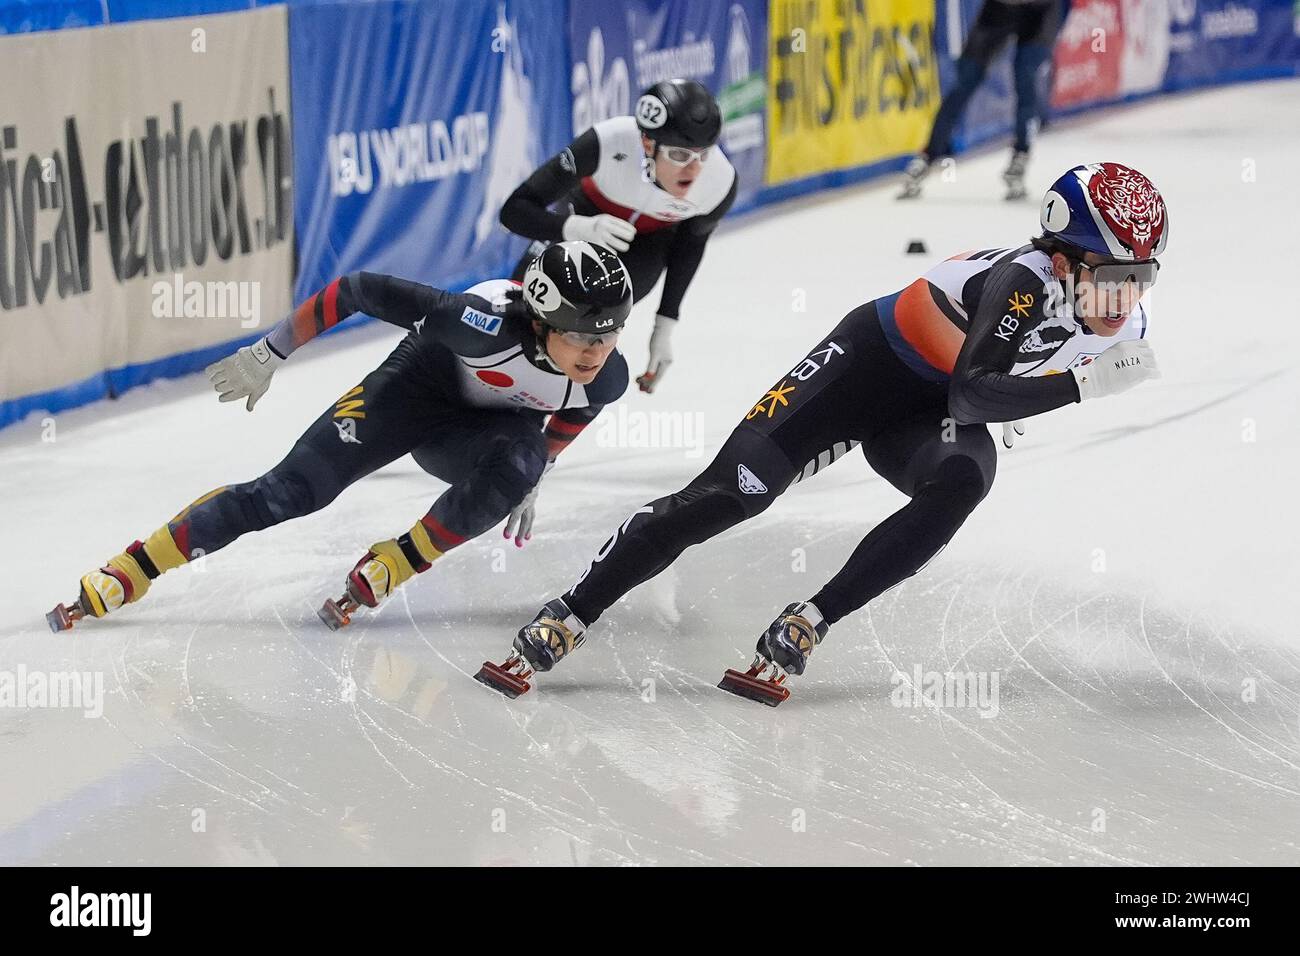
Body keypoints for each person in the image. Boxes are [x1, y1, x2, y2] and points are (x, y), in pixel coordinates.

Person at [478, 162, 1168, 704]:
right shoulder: (1022, 281)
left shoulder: (1119, 319)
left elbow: (984, 394)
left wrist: (1028, 394)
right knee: (730, 496)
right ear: (1064, 258)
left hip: (925, 414)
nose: (1125, 300)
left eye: (1142, 280)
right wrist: (1077, 386)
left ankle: (809, 619)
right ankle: (571, 611)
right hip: (863, 370)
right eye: (1113, 278)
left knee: (962, 480)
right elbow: (975, 388)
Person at [48, 241, 633, 633]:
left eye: (607, 336)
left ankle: (398, 561)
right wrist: (270, 350)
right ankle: (139, 565)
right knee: (289, 493)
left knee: (522, 461)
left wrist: (537, 474)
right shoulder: (477, 325)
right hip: (412, 393)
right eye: (582, 336)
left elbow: (574, 414)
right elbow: (356, 288)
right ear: (538, 317)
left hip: (478, 437)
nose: (594, 353)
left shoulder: (606, 376)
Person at [499, 78, 738, 394]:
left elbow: (689, 247)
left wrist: (664, 327)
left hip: (645, 248)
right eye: (680, 155)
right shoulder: (608, 141)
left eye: (702, 155)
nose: (693, 170)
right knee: (522, 310)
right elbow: (515, 210)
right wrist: (574, 228)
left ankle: (560, 406)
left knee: (586, 328)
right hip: (580, 218)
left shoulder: (720, 182)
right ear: (648, 144)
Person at [898, 0, 1068, 201]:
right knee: (965, 82)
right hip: (998, 12)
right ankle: (928, 155)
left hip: (1040, 14)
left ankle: (1021, 155)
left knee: (1026, 80)